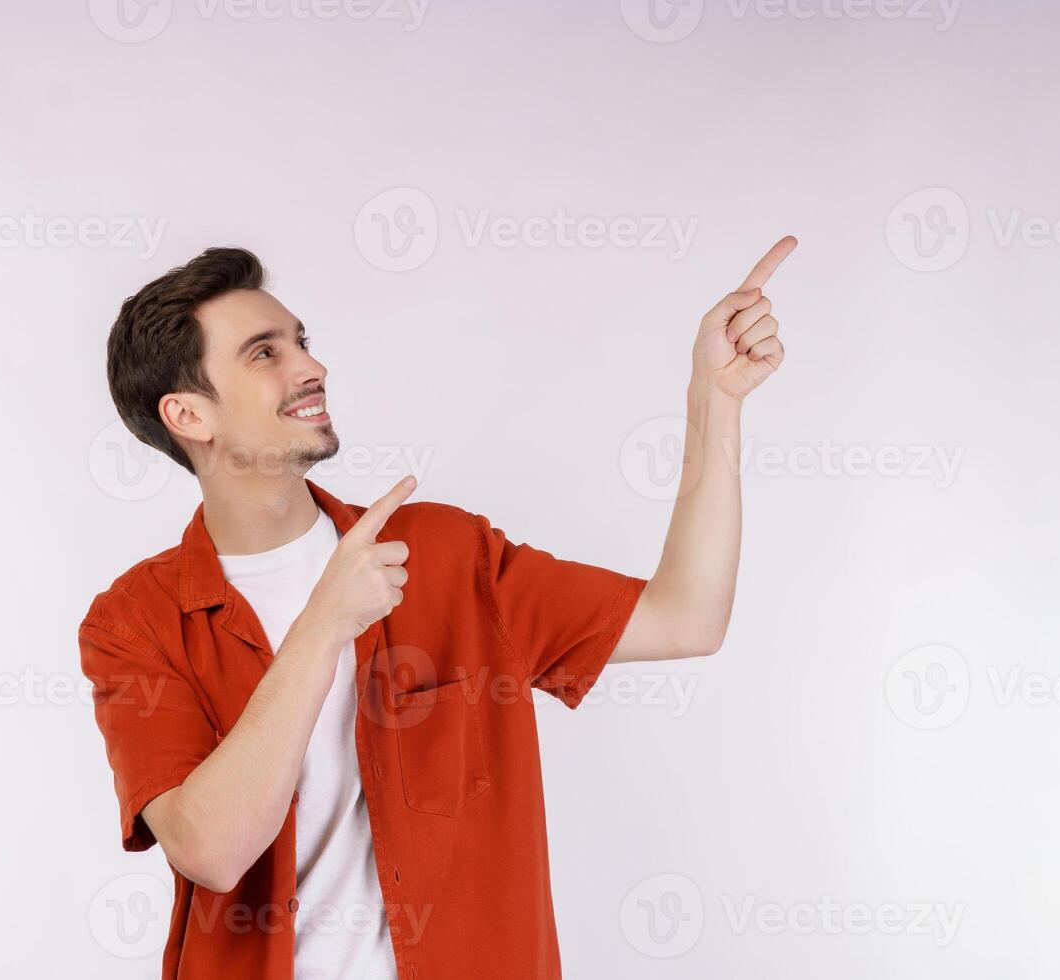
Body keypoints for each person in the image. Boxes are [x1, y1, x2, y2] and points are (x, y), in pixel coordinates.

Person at [77, 238, 796, 978]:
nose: (311, 366)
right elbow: (213, 851)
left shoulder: (446, 554)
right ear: (189, 415)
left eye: (301, 341)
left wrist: (714, 400)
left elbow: (687, 620)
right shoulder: (134, 622)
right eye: (264, 354)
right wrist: (324, 625)